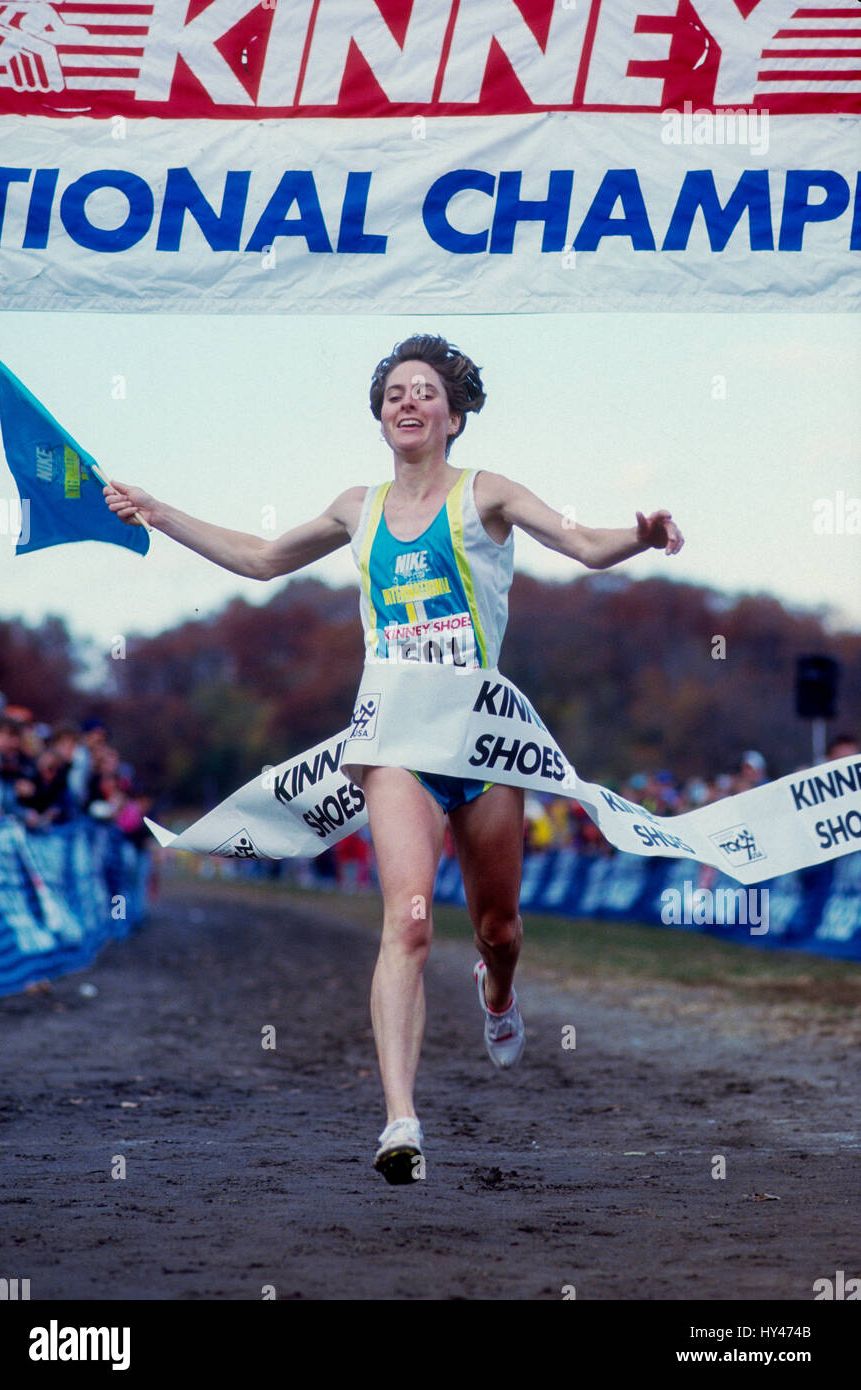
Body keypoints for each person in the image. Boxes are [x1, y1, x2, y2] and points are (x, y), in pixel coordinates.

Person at [103, 333, 684, 1184]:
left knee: (499, 928)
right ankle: (400, 1121)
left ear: (454, 415)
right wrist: (158, 511)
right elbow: (263, 561)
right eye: (393, 395)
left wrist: (639, 536)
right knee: (409, 920)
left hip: (482, 738)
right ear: (381, 420)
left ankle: (498, 991)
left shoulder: (488, 493)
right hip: (394, 743)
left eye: (424, 393)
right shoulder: (356, 508)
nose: (407, 403)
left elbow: (586, 546)